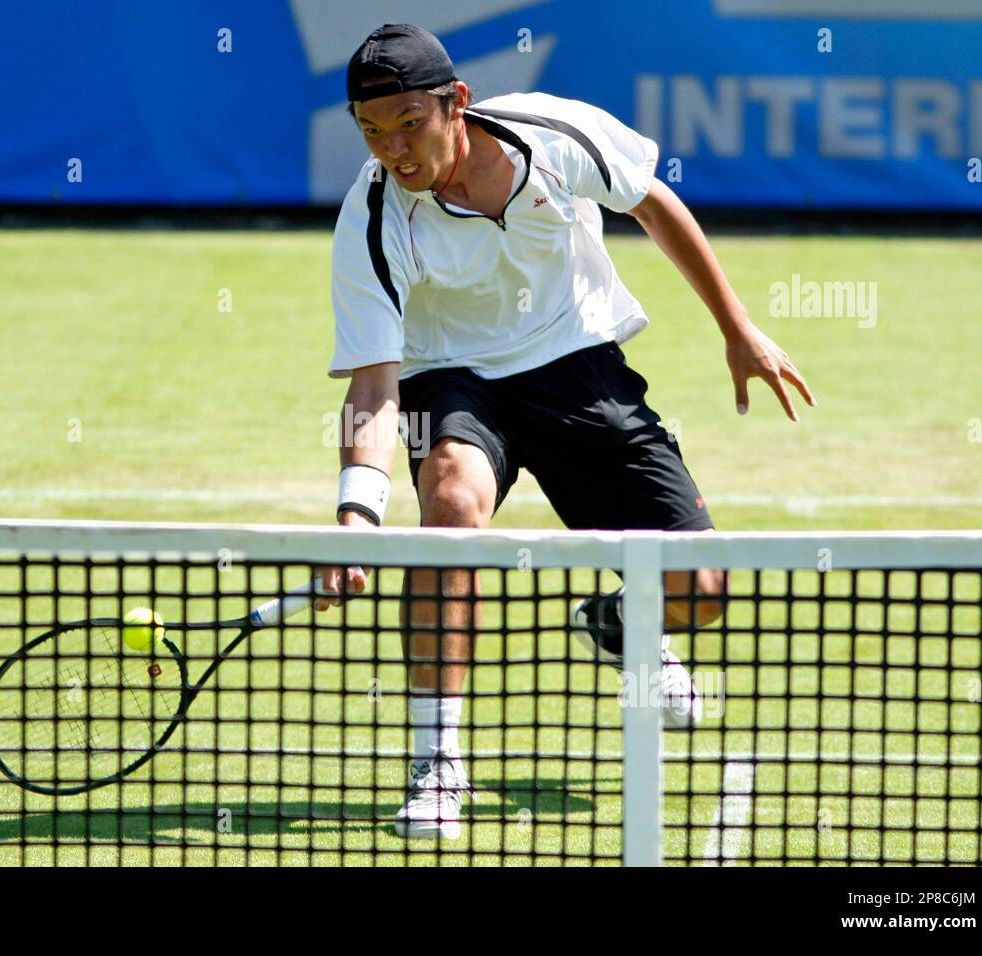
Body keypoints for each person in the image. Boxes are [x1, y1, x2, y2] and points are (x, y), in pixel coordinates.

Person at [319, 24, 815, 840]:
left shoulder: (553, 135)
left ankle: (623, 624)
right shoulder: (372, 218)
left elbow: (653, 202)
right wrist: (355, 515)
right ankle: (438, 758)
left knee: (705, 591)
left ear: (458, 105)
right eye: (372, 132)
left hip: (577, 362)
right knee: (448, 506)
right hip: (453, 377)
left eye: (410, 122)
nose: (394, 150)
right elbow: (375, 385)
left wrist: (738, 327)